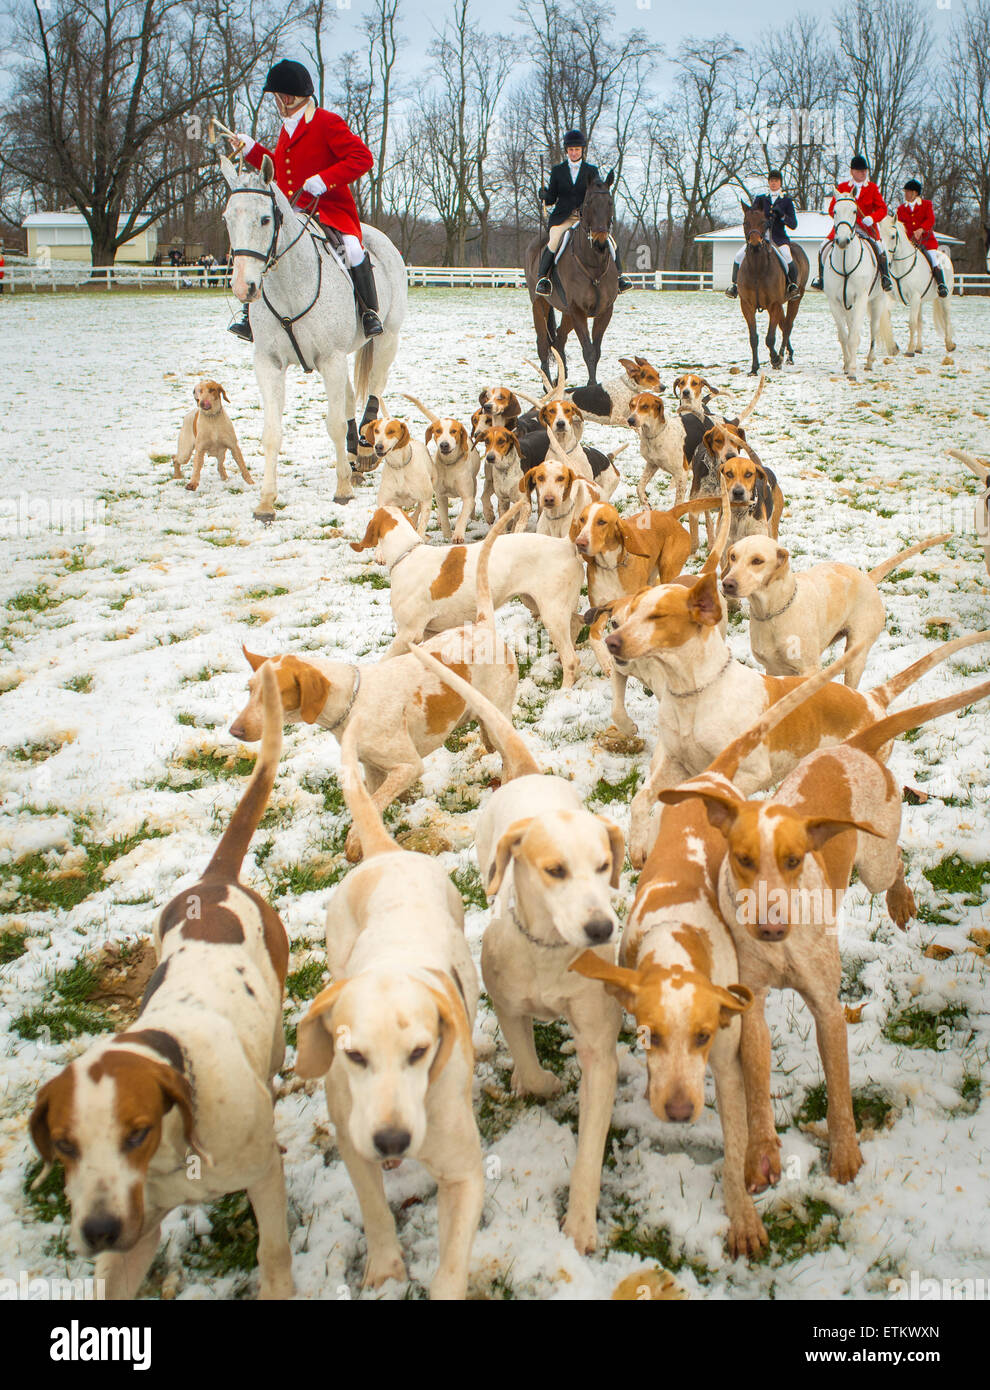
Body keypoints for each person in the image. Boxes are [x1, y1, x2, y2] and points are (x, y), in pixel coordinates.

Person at [227, 58, 382, 340]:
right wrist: (250, 149)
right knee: (265, 248)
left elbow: (363, 158)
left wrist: (325, 179)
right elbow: (280, 172)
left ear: (287, 97)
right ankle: (250, 317)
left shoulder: (327, 122)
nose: (276, 102)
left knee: (353, 249)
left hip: (330, 210)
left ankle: (368, 312)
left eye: (276, 97)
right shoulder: (287, 128)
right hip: (293, 210)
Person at [534, 129, 632, 297]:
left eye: (577, 149)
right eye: (571, 149)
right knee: (555, 239)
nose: (574, 152)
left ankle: (620, 278)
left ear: (582, 150)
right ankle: (543, 279)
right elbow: (551, 198)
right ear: (567, 150)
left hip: (585, 218)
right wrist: (544, 195)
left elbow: (597, 192)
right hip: (563, 218)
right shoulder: (558, 171)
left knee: (610, 241)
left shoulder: (591, 170)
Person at [810, 154, 892, 292]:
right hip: (844, 227)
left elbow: (882, 209)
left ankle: (885, 277)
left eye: (865, 170)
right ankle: (821, 278)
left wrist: (872, 218)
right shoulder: (842, 187)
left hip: (866, 228)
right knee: (823, 246)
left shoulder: (872, 188)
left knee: (880, 247)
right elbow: (832, 209)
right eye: (860, 170)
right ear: (852, 171)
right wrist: (843, 219)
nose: (863, 173)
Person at [725, 169, 800, 301]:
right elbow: (753, 214)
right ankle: (734, 286)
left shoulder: (786, 200)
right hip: (760, 237)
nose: (773, 183)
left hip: (779, 238)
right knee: (738, 256)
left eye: (776, 181)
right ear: (768, 182)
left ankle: (792, 286)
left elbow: (793, 224)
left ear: (780, 182)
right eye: (771, 181)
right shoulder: (761, 198)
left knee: (787, 255)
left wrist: (782, 216)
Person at [896, 179, 948, 298]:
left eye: (907, 191)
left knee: (933, 260)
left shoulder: (926, 204)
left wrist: (921, 229)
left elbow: (930, 220)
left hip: (926, 242)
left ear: (915, 193)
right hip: (910, 243)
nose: (905, 194)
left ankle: (941, 285)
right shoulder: (901, 209)